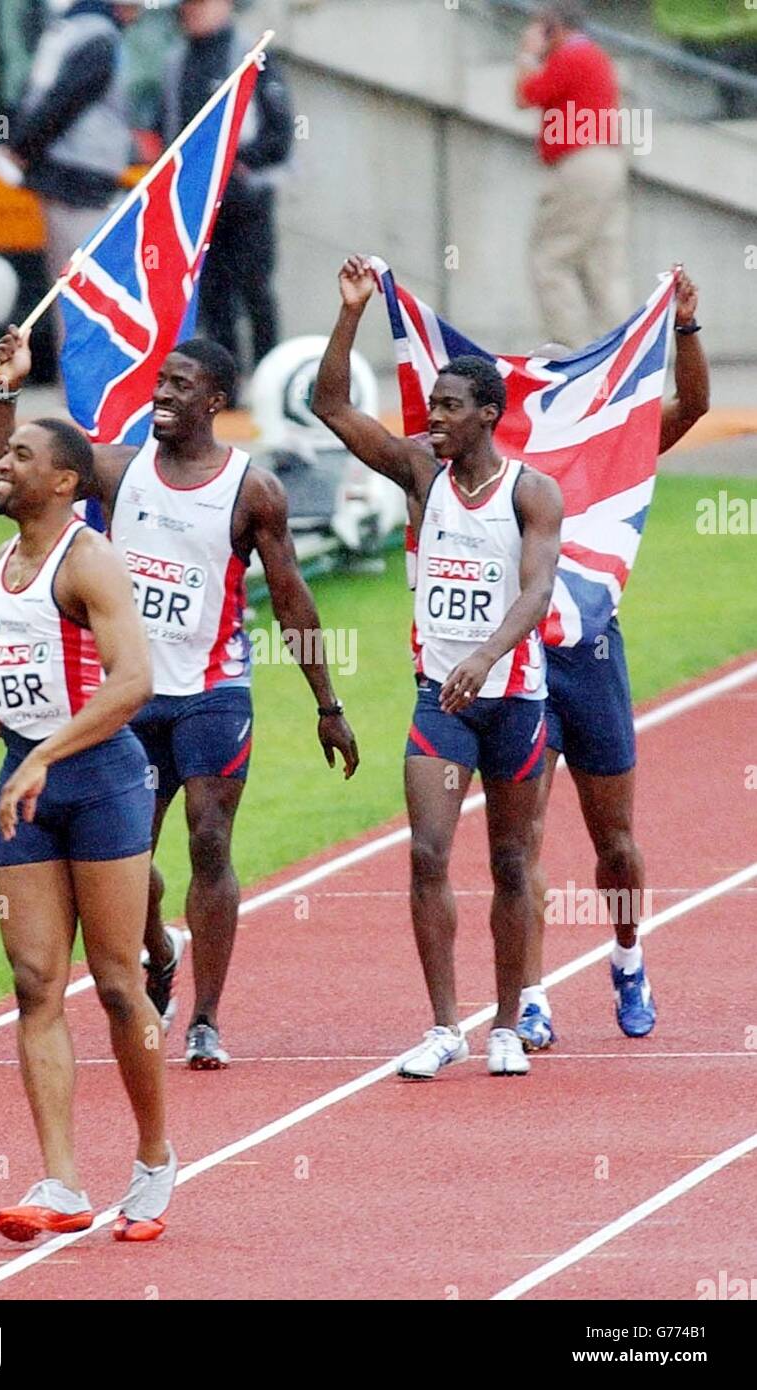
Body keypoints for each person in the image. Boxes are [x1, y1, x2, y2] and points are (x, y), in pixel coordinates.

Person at [0, 328, 360, 1070]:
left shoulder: (252, 490)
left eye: (179, 385)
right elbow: (7, 476)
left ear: (214, 401)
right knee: (131, 863)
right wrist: (7, 390)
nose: (161, 393)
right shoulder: (120, 473)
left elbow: (291, 598)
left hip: (212, 690)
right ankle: (158, 948)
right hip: (126, 695)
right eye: (160, 381)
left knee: (210, 838)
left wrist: (327, 701)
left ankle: (206, 1020)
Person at [0, 415, 176, 1243]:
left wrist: (45, 756)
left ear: (65, 482)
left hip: (99, 780)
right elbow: (32, 679)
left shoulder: (91, 561)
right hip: (24, 783)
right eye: (4, 452)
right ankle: (61, 1183)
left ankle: (155, 1159)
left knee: (117, 981)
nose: (2, 464)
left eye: (22, 456)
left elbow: (132, 683)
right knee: (34, 983)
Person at [313, 255, 564, 1079]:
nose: (433, 422)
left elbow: (536, 592)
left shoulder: (531, 494)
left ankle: (503, 1023)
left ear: (488, 415)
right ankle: (442, 1026)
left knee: (511, 864)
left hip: (513, 703)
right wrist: (349, 313)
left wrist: (487, 656)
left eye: (450, 410)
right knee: (426, 853)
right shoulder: (422, 475)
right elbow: (331, 405)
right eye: (430, 408)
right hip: (440, 705)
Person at [518, 267, 710, 1049]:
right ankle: (528, 994)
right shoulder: (489, 465)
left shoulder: (615, 449)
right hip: (517, 657)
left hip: (590, 657)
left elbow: (692, 406)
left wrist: (685, 327)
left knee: (616, 844)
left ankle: (627, 957)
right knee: (516, 840)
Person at [158, 0, 293, 382]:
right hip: (199, 201)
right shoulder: (176, 61)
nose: (192, 12)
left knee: (256, 291)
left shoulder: (252, 55)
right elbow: (166, 127)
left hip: (246, 199)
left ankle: (272, 380)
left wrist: (239, 162)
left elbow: (279, 132)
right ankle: (224, 388)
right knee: (213, 299)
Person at [515, 3, 632, 350]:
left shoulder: (570, 56)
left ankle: (573, 354)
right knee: (603, 264)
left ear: (555, 28)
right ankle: (621, 351)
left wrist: (527, 55)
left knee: (551, 259)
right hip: (607, 162)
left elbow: (524, 95)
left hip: (581, 164)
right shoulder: (594, 55)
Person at [10, 1, 145, 299]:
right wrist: (23, 147)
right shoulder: (99, 37)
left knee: (67, 287)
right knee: (84, 291)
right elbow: (65, 100)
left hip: (62, 176)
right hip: (80, 181)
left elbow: (36, 97)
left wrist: (18, 143)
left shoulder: (65, 30)